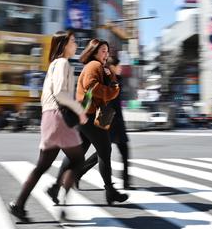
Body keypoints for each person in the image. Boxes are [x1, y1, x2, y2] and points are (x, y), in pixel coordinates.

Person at [8, 31, 88, 222]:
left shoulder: (53, 64)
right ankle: (62, 204)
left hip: (49, 117)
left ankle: (19, 205)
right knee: (78, 161)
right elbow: (60, 93)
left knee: (42, 166)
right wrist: (80, 111)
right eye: (73, 42)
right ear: (63, 45)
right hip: (60, 118)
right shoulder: (62, 63)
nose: (76, 44)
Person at [48, 39, 128, 206]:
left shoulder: (100, 67)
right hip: (90, 117)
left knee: (76, 156)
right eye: (103, 51)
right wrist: (111, 91)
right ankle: (110, 191)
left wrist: (111, 78)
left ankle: (55, 187)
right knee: (105, 151)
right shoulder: (94, 65)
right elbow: (91, 86)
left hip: (84, 117)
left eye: (107, 51)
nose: (106, 54)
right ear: (94, 52)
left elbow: (111, 82)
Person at [77, 56, 132, 189]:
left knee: (122, 152)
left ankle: (126, 182)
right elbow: (100, 97)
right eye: (117, 66)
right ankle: (77, 174)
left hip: (118, 122)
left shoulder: (117, 79)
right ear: (111, 67)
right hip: (108, 121)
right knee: (101, 154)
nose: (120, 68)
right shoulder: (106, 79)